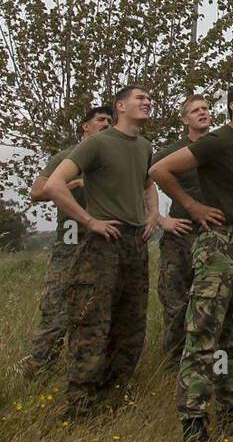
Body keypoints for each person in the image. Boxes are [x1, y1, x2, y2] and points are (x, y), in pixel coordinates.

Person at [150, 76, 233, 442]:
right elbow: (159, 171)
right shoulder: (218, 140)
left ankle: (230, 409)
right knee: (202, 336)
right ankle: (194, 422)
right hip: (218, 246)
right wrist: (195, 207)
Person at [42, 85, 157, 417]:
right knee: (91, 323)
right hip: (102, 246)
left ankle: (115, 397)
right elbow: (53, 185)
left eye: (148, 98)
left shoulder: (145, 147)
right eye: (140, 98)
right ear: (120, 106)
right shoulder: (97, 143)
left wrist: (152, 214)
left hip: (136, 244)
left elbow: (149, 183)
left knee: (131, 322)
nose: (147, 101)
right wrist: (89, 221)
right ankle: (80, 403)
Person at [23, 104, 112, 375]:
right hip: (71, 241)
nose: (106, 123)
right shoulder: (65, 158)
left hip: (106, 242)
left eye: (110, 120)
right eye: (100, 119)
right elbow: (37, 192)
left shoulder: (112, 158)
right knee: (57, 308)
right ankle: (39, 368)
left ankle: (91, 371)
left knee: (99, 311)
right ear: (85, 126)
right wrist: (71, 185)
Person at [151, 94, 212, 365]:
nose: (202, 113)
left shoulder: (221, 148)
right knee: (176, 304)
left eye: (206, 109)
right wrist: (160, 219)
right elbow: (141, 183)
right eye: (195, 110)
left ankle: (205, 360)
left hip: (214, 236)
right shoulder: (170, 153)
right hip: (180, 235)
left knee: (210, 304)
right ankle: (175, 362)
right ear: (185, 119)